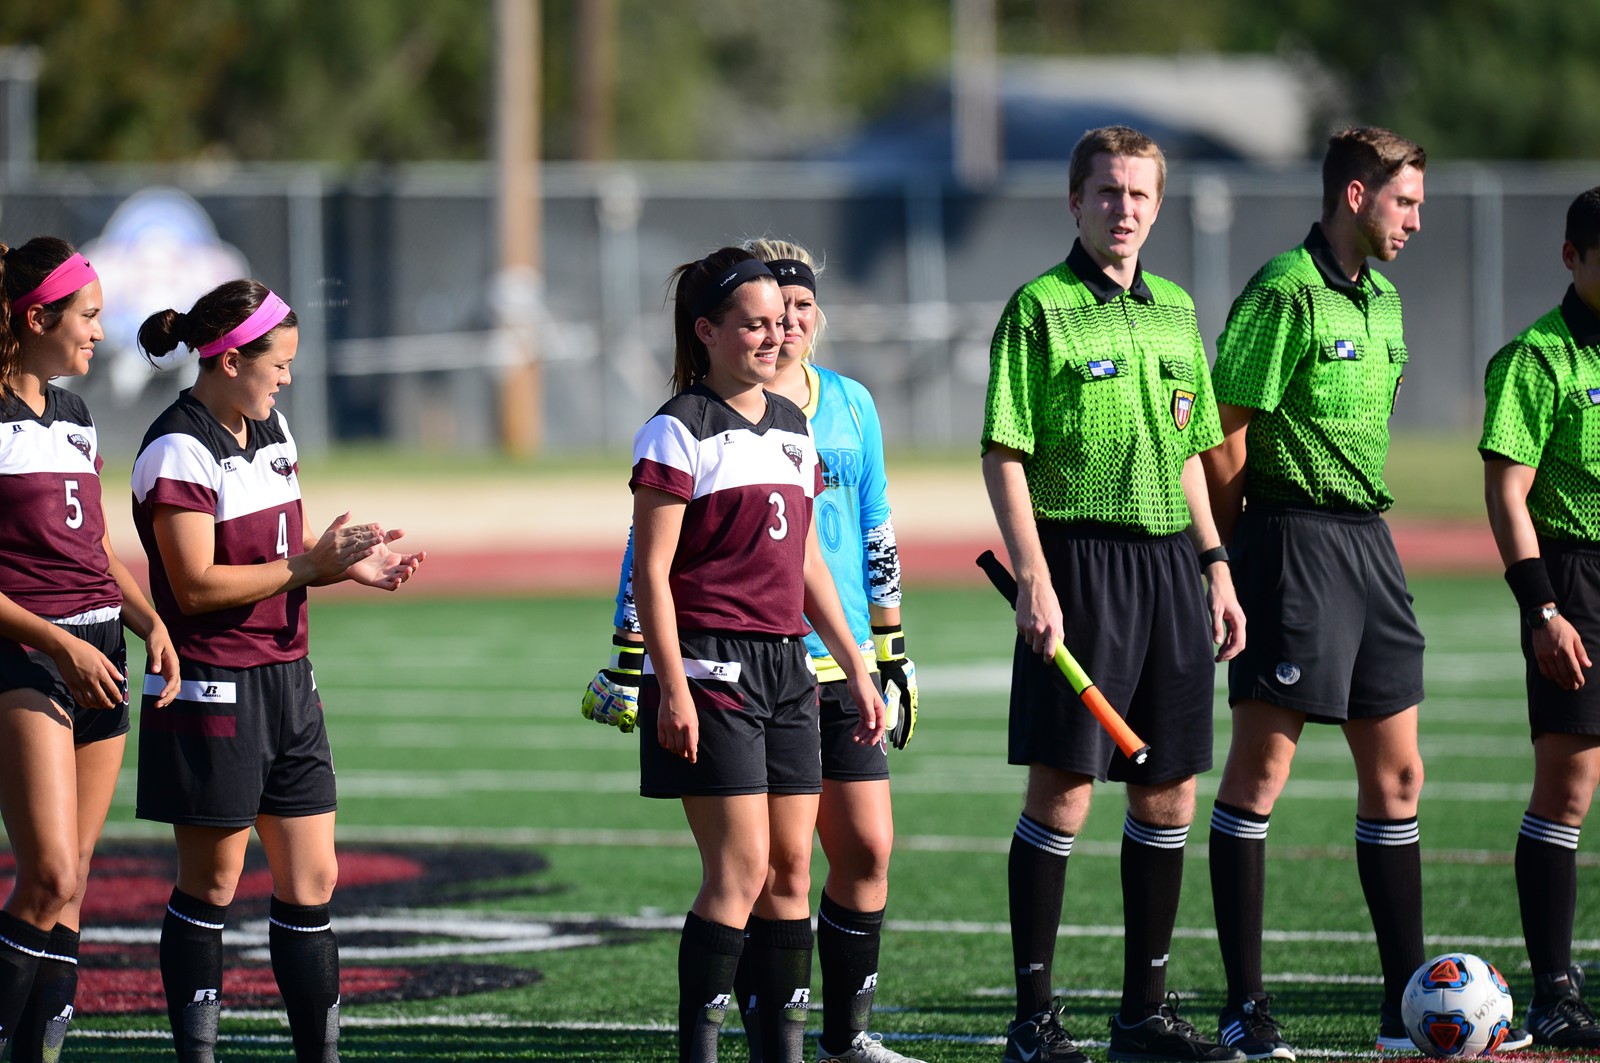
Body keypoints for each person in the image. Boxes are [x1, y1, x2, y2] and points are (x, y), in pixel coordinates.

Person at [1199, 126, 1530, 1059]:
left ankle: (1405, 1006)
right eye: (1405, 202)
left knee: (1399, 777)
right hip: (1290, 542)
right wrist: (1227, 556)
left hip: (1369, 546)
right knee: (1262, 772)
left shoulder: (1383, 300)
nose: (1418, 220)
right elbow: (1225, 438)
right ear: (1355, 196)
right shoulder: (1281, 291)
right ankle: (1245, 1004)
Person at [584, 238, 924, 1063]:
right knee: (737, 874)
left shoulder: (795, 425)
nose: (776, 337)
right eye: (756, 324)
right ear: (706, 330)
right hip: (713, 670)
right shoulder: (674, 431)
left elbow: (807, 561)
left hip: (790, 673)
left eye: (783, 322)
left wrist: (859, 660)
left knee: (792, 879)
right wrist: (665, 683)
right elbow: (653, 572)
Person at [982, 125, 1245, 1063]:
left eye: (1139, 195)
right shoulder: (1040, 308)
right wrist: (1035, 577)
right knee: (1063, 796)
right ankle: (1032, 1023)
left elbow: (1187, 461)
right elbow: (1004, 453)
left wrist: (1216, 566)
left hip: (1172, 567)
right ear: (1075, 201)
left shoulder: (1177, 311)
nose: (1123, 209)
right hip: (1078, 566)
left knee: (1168, 794)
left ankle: (1143, 1017)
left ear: (1157, 205)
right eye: (1106, 193)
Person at [131, 280, 425, 1063]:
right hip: (214, 686)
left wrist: (344, 568)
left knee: (314, 875)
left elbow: (284, 563)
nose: (287, 377)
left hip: (290, 679)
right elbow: (193, 585)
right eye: (279, 363)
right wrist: (307, 565)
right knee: (215, 882)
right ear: (229, 360)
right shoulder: (178, 447)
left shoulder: (271, 428)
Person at [0, 237, 180, 1062]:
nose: (100, 334)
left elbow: (95, 550)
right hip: (31, 659)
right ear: (37, 317)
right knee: (47, 877)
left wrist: (151, 623)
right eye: (89, 316)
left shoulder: (73, 416)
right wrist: (56, 646)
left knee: (73, 885)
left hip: (101, 650)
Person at [1481, 185, 1600, 1050]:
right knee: (1568, 786)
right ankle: (1555, 987)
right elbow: (1507, 491)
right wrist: (1543, 608)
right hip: (1575, 577)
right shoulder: (1537, 357)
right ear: (1572, 258)